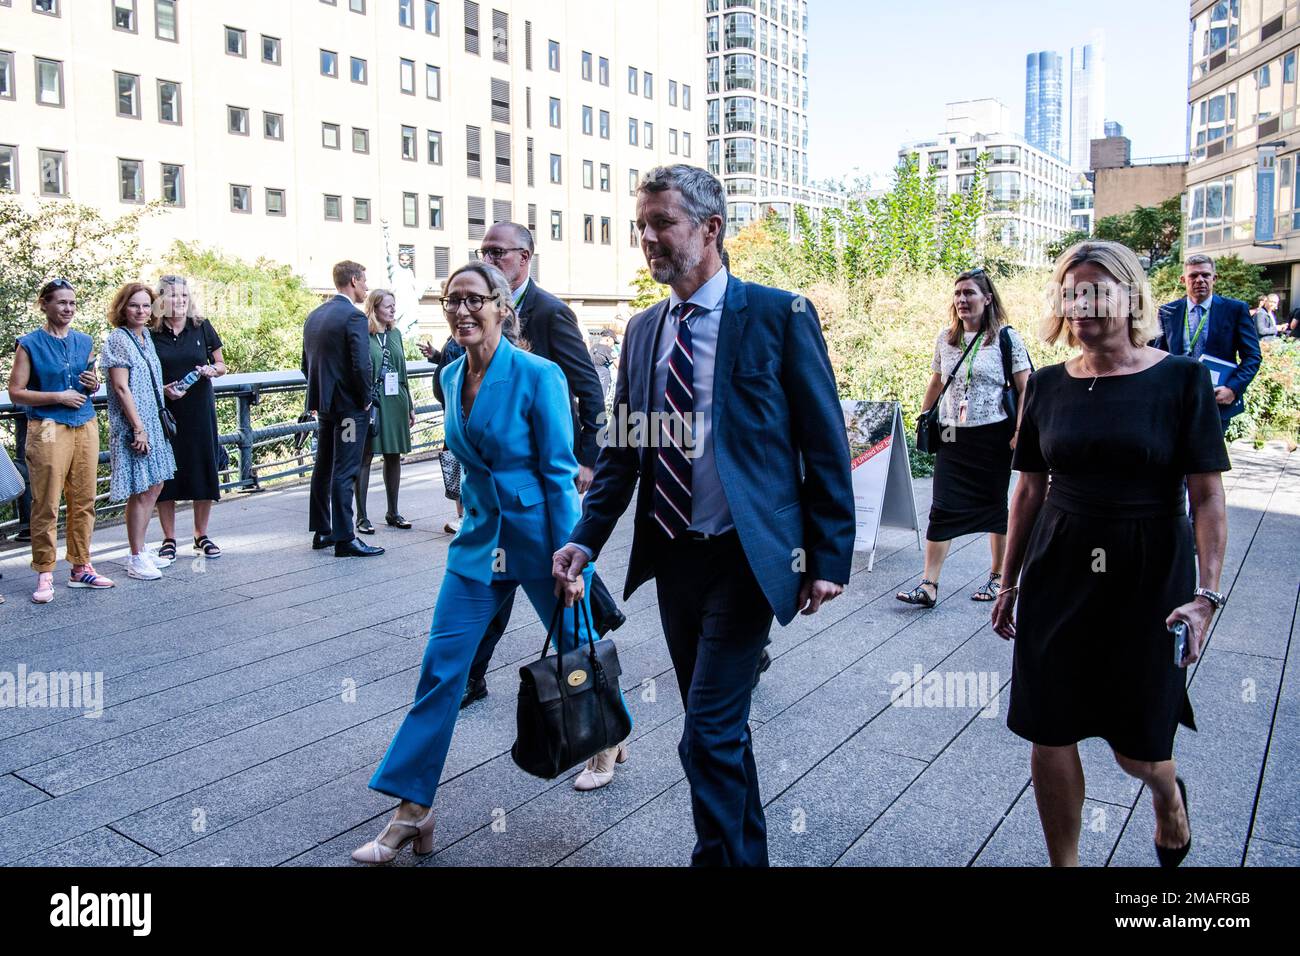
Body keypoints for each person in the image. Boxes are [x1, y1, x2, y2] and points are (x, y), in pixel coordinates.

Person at [553, 165, 856, 866]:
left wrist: (828, 557)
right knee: (719, 729)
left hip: (750, 557)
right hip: (674, 558)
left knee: (704, 738)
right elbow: (623, 452)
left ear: (710, 228)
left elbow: (824, 442)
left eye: (663, 222)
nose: (649, 238)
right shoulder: (643, 331)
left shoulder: (781, 316)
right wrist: (584, 539)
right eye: (643, 226)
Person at [352, 261, 627, 863]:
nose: (462, 310)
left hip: (539, 541)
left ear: (503, 307)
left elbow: (559, 474)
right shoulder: (450, 376)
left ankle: (607, 740)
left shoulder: (539, 374)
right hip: (478, 543)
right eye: (453, 300)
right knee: (441, 672)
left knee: (576, 649)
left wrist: (570, 558)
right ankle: (412, 810)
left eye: (475, 300)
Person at [993, 240, 1230, 868]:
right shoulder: (1045, 386)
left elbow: (1206, 496)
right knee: (1050, 727)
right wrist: (1007, 581)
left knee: (1137, 747)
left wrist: (1206, 596)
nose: (1084, 303)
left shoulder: (1182, 379)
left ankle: (1167, 797)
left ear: (1131, 298)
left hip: (1150, 573)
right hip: (1059, 566)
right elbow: (1030, 490)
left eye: (1098, 289)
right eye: (1073, 292)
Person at [457, 222, 627, 723]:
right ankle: (470, 672)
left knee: (544, 574)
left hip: (543, 477)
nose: (489, 258)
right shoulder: (472, 306)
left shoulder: (550, 311)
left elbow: (588, 389)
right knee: (497, 576)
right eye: (483, 250)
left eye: (499, 252)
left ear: (526, 257)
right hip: (490, 481)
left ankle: (605, 723)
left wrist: (590, 458)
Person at [897, 269, 1032, 608]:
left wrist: (1020, 431)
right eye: (957, 293)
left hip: (994, 437)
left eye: (969, 293)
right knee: (941, 507)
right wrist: (924, 416)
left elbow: (1026, 387)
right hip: (952, 436)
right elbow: (937, 380)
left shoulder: (1006, 338)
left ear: (987, 298)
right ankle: (929, 585)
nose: (961, 299)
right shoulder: (947, 337)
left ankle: (998, 578)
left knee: (994, 508)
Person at [6, 279, 114, 601]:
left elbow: (88, 386)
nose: (68, 309)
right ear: (45, 305)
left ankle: (81, 567)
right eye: (61, 303)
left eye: (72, 303)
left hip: (85, 423)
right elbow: (16, 392)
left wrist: (93, 384)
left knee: (84, 500)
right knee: (47, 502)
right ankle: (44, 573)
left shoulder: (84, 341)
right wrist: (58, 396)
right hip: (49, 426)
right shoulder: (29, 344)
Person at [302, 260, 383, 558]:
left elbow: (305, 365)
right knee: (346, 468)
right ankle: (345, 537)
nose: (366, 287)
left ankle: (322, 530)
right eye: (364, 281)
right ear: (352, 281)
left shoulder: (315, 316)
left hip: (324, 405)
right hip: (350, 408)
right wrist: (365, 398)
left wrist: (322, 394)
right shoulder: (353, 317)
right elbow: (362, 363)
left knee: (323, 464)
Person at [102, 283, 178, 581]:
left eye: (146, 306)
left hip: (151, 421)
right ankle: (135, 556)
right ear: (123, 307)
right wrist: (138, 428)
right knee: (143, 489)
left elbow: (143, 382)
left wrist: (163, 391)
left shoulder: (144, 336)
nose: (141, 311)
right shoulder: (119, 339)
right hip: (136, 424)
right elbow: (121, 387)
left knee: (154, 485)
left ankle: (141, 549)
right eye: (135, 305)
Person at [151, 275, 226, 560]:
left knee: (201, 467)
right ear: (160, 300)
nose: (180, 301)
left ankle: (200, 535)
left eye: (184, 295)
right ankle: (168, 538)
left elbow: (221, 365)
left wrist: (211, 371)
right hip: (166, 410)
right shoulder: (151, 332)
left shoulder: (201, 326)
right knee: (167, 473)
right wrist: (163, 390)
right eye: (172, 296)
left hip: (198, 407)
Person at [1153, 255, 1261, 436]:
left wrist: (1233, 389)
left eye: (1205, 275)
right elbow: (1157, 354)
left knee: (1210, 461)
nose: (1199, 280)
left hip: (1216, 398)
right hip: (1176, 399)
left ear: (1214, 278)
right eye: (1193, 276)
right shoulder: (1168, 311)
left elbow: (1252, 356)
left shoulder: (1235, 310)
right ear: (1183, 280)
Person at [354, 289, 415, 534]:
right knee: (365, 457)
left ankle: (393, 512)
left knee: (394, 455)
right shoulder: (363, 334)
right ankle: (362, 516)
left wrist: (410, 405)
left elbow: (403, 371)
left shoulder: (396, 334)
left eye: (394, 304)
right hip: (374, 401)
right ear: (374, 308)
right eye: (387, 305)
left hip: (396, 399)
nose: (392, 309)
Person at [421, 333, 466, 534]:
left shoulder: (463, 335)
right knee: (456, 461)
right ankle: (463, 515)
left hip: (457, 412)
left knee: (459, 462)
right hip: (453, 410)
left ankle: (465, 517)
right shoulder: (456, 335)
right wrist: (435, 355)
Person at [591, 331, 616, 403]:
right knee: (602, 399)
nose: (613, 345)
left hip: (592, 375)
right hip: (603, 376)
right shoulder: (608, 349)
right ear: (608, 339)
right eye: (613, 342)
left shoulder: (593, 347)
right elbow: (618, 365)